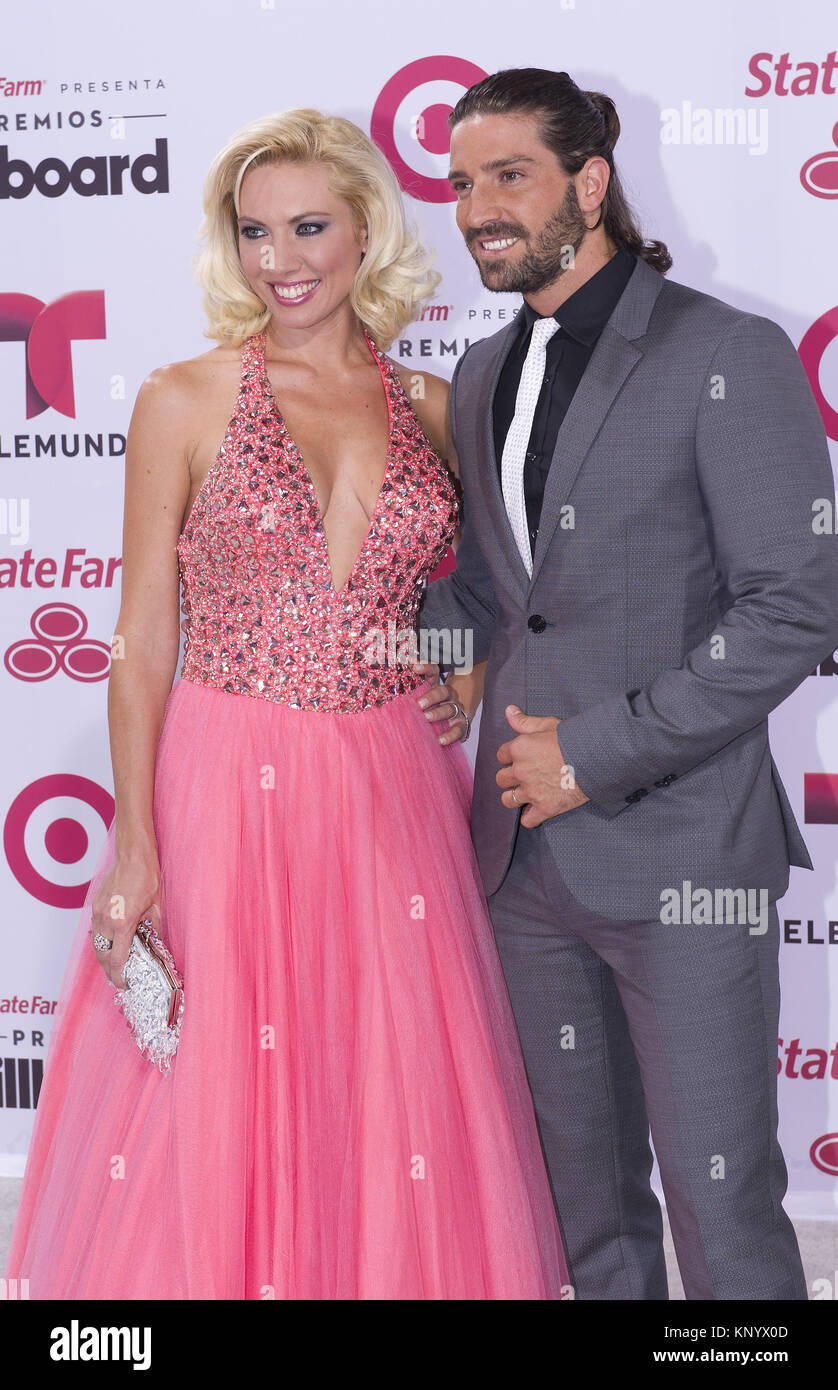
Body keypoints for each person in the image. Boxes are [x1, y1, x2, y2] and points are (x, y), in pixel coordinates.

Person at [3, 108, 570, 1300]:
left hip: (391, 788)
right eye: (254, 233)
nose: (281, 259)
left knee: (385, 1080)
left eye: (309, 226)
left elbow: (482, 583)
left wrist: (457, 674)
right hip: (225, 778)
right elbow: (142, 637)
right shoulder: (182, 396)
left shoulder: (430, 401)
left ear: (366, 229)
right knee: (216, 1085)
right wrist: (136, 840)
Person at [416, 67, 838, 1300]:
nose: (477, 208)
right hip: (521, 865)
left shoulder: (727, 350)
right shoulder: (484, 374)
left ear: (588, 183)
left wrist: (592, 752)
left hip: (682, 860)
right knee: (581, 1215)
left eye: (508, 177)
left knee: (718, 1203)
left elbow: (795, 607)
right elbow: (502, 591)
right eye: (458, 184)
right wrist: (419, 654)